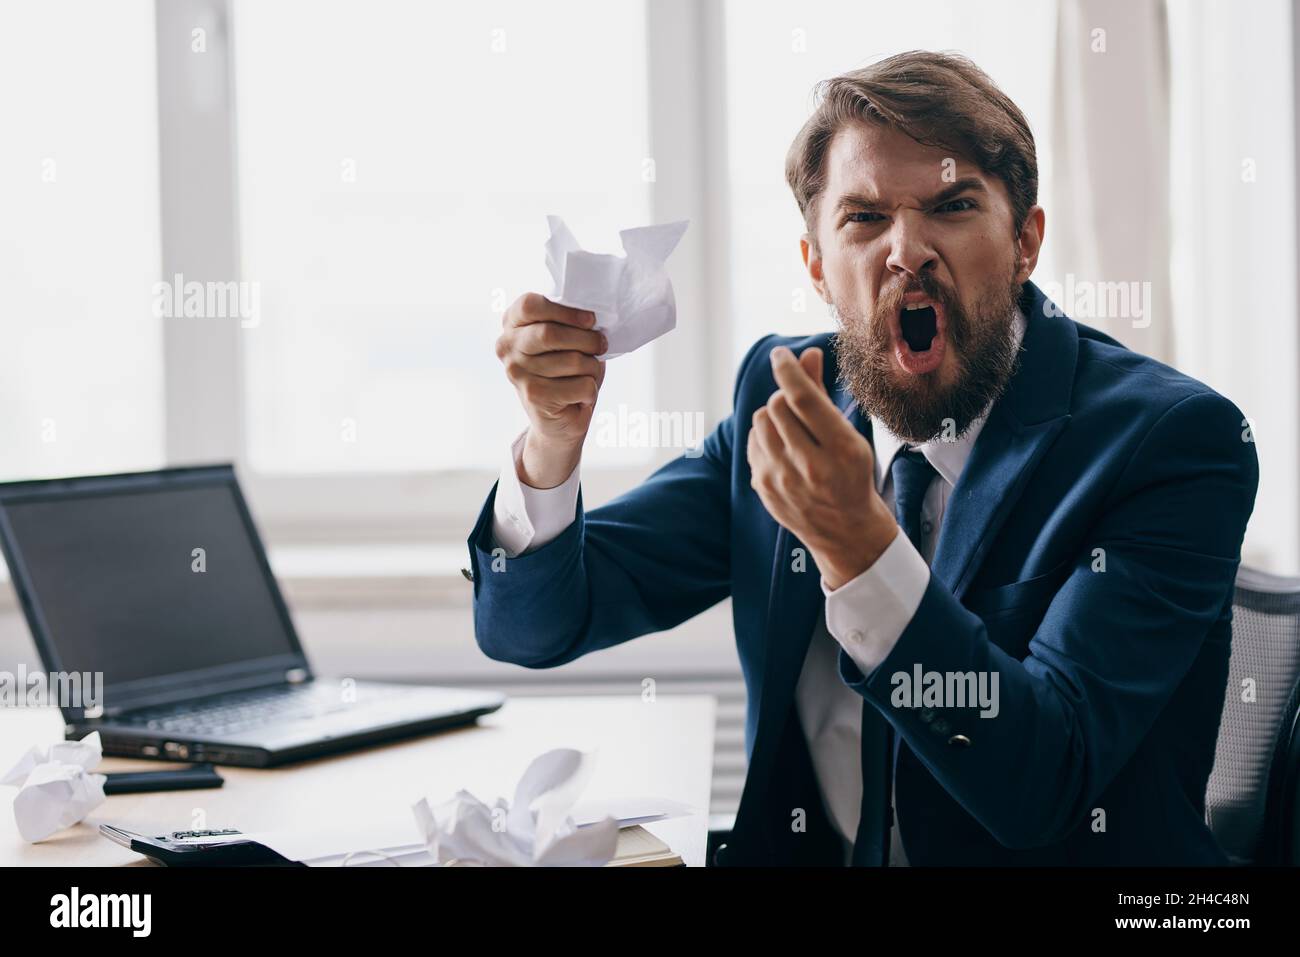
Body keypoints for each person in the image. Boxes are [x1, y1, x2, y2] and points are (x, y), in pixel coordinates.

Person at [467, 50, 1259, 865]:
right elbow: (535, 625)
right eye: (865, 218)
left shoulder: (1172, 444)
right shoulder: (779, 404)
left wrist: (860, 548)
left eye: (951, 206)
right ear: (816, 267)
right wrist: (551, 445)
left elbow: (1045, 781)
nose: (906, 250)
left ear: (1025, 241)